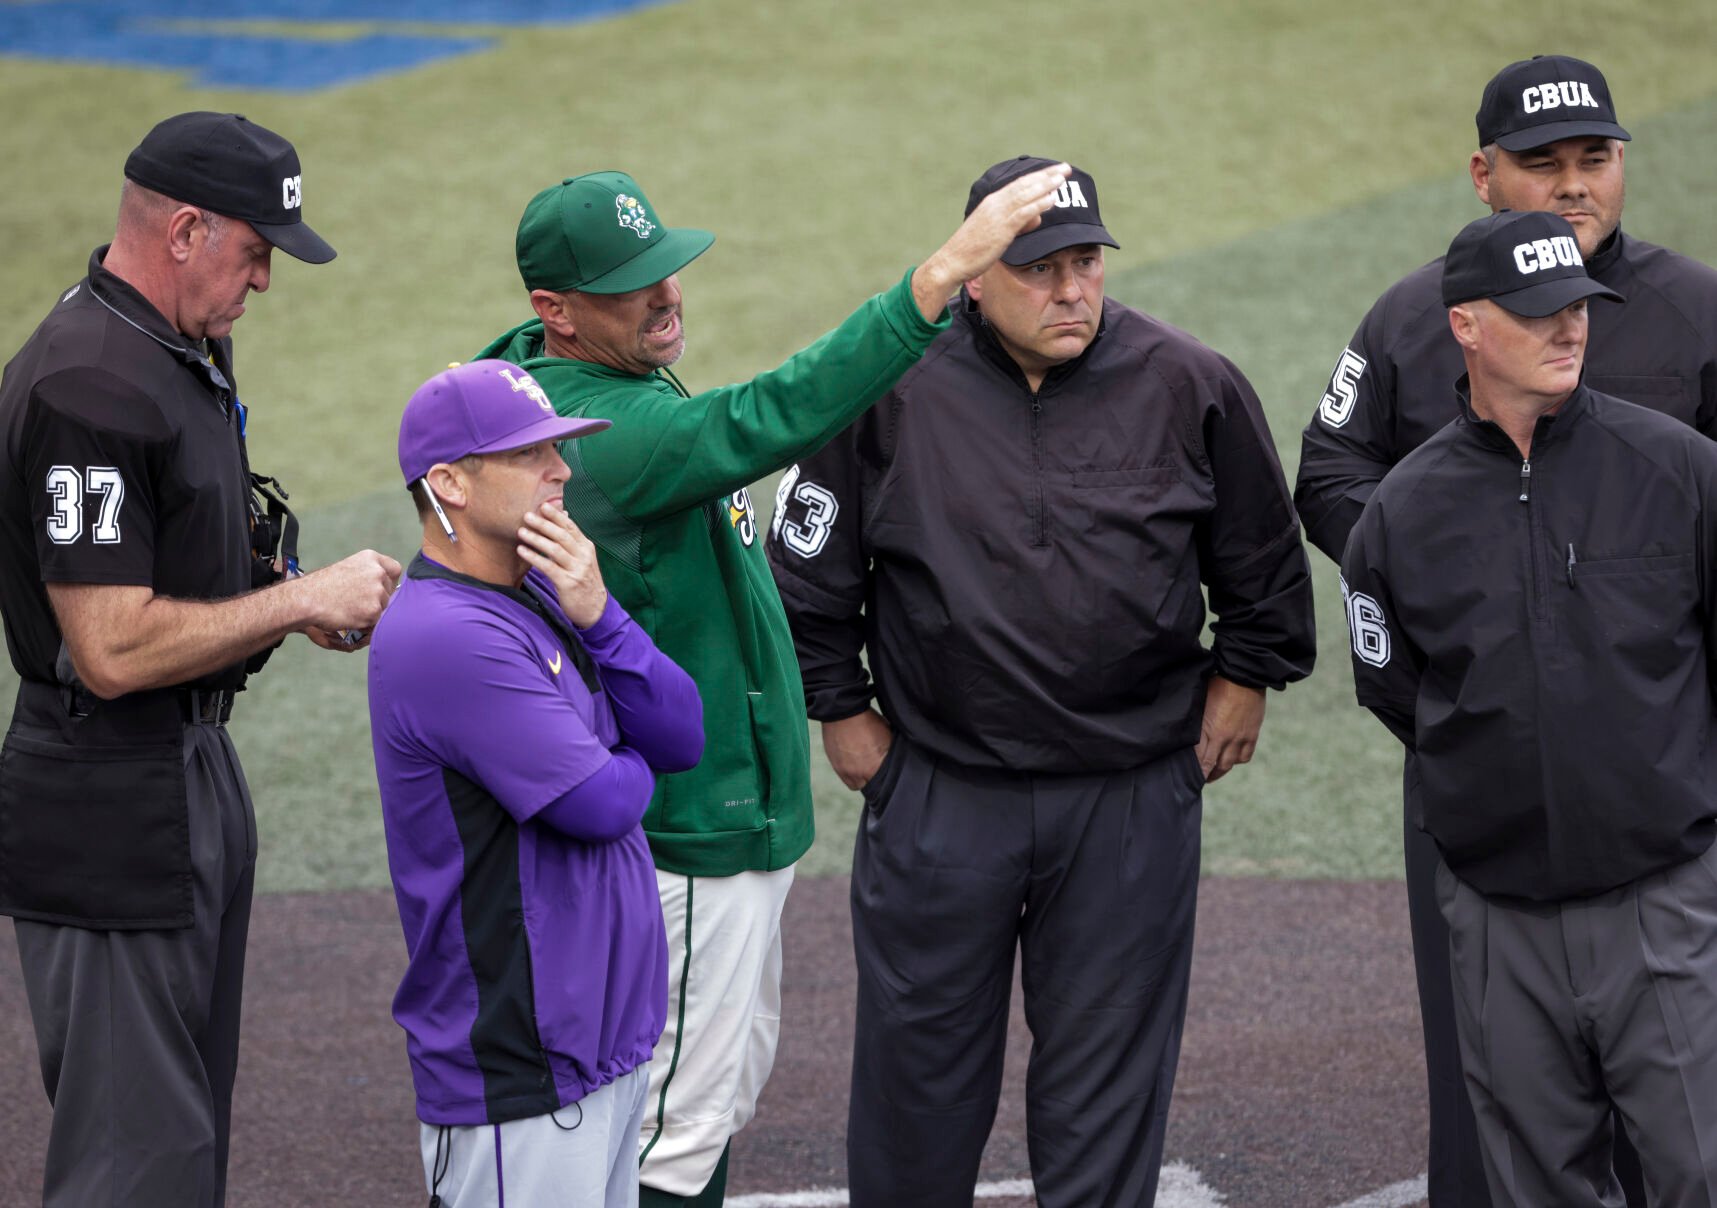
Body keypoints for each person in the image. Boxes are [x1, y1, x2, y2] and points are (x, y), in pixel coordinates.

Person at [474, 161, 1071, 1206]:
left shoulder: (575, 381)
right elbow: (773, 413)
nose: (665, 297)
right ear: (552, 312)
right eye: (630, 287)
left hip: (703, 822)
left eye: (665, 269)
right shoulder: (596, 434)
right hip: (686, 833)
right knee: (670, 1132)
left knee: (699, 1106)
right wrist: (936, 278)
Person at [766, 155, 1318, 1207]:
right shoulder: (887, 388)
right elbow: (805, 570)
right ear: (974, 273)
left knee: (1105, 1082)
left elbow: (1262, 561)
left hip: (1128, 793)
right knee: (916, 1082)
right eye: (1038, 269)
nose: (1070, 288)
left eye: (1084, 263)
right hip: (940, 789)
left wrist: (1247, 675)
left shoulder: (1187, 381)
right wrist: (840, 708)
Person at [1294, 54, 1717, 1206]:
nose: (1573, 186)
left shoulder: (1694, 314)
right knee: (1504, 1111)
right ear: (1485, 176)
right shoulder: (1411, 316)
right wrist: (1462, 571)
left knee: (1690, 1126)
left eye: (1595, 159)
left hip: (1658, 785)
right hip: (1481, 771)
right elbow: (1330, 471)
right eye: (1543, 165)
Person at [0, 111, 400, 1208]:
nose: (264, 281)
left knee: (184, 1143)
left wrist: (274, 600)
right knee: (138, 1164)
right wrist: (297, 599)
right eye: (256, 251)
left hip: (187, 766)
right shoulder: (89, 382)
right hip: (110, 795)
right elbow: (112, 645)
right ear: (183, 231)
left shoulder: (178, 348)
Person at [367, 359, 704, 1207]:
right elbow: (601, 804)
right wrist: (625, 760)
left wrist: (601, 613)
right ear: (450, 483)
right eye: (530, 455)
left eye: (557, 447)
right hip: (519, 1074)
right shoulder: (446, 635)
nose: (560, 469)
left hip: (599, 1054)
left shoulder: (545, 592)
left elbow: (683, 734)